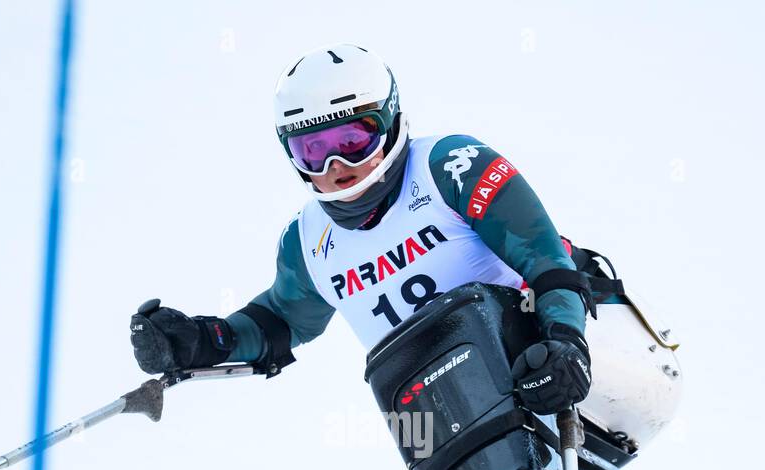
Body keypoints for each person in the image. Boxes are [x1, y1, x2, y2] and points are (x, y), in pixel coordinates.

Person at [128, 43, 592, 418]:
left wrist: (567, 342)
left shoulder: (449, 167)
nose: (336, 166)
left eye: (352, 141)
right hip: (458, 411)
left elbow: (543, 255)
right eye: (313, 150)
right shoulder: (307, 242)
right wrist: (203, 341)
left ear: (388, 122)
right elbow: (282, 321)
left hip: (553, 351)